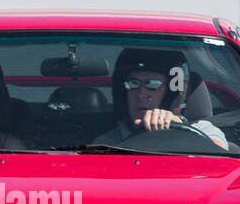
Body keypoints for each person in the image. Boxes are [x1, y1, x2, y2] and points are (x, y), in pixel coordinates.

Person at [92, 48, 228, 149]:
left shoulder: (204, 130)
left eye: (152, 84)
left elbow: (222, 162)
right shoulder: (109, 141)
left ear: (170, 93)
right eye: (133, 84)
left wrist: (178, 126)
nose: (141, 94)